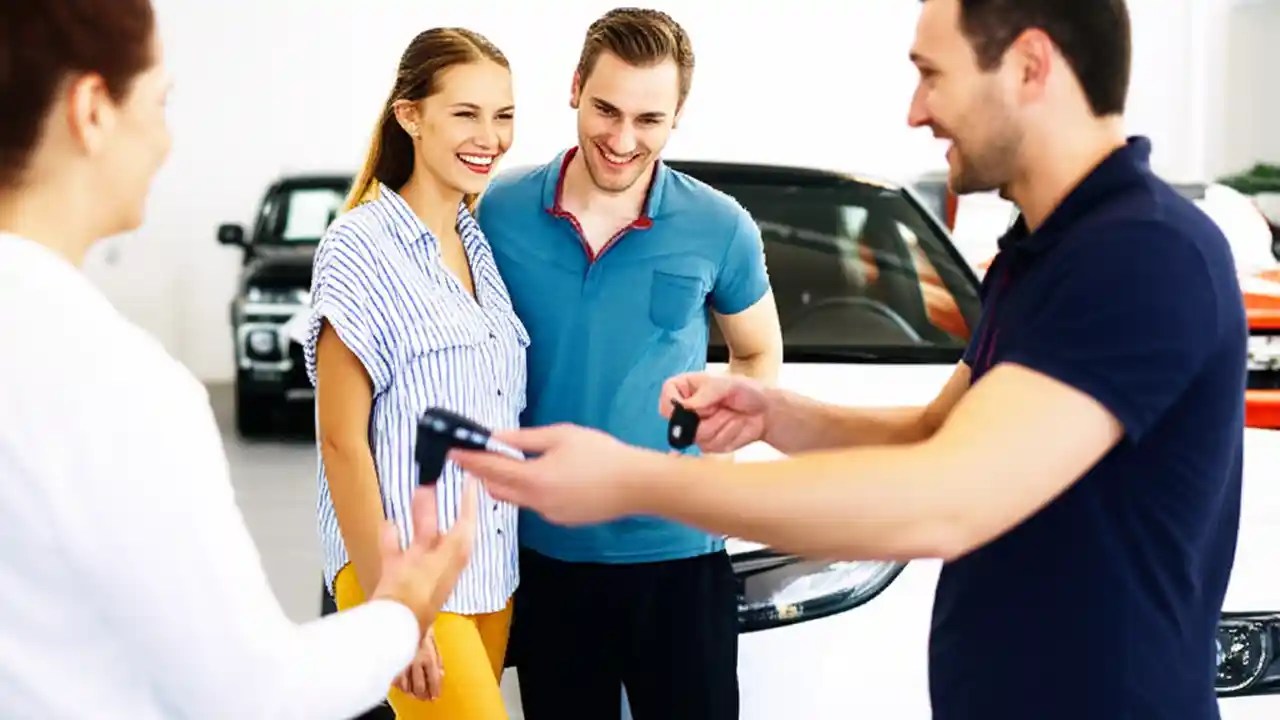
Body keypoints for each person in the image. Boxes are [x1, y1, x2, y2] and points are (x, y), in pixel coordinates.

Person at [456, 1, 1249, 719]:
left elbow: (947, 496)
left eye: (931, 74)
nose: (915, 111)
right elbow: (940, 432)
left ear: (1029, 66)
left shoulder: (1143, 254)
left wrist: (636, 480)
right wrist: (779, 414)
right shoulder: (1036, 260)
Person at [0, 2, 478, 719]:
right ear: (93, 111)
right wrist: (404, 608)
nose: (166, 140)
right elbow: (253, 694)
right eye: (160, 102)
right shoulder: (118, 387)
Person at [473, 7, 782, 719]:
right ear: (575, 87)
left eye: (649, 120)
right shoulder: (498, 211)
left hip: (681, 558)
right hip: (546, 560)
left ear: (677, 117)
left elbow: (758, 350)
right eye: (605, 109)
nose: (620, 139)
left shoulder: (719, 225)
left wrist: (714, 460)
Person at [303, 26, 527, 720]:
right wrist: (393, 605)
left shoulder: (478, 245)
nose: (489, 135)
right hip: (403, 579)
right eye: (466, 113)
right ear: (411, 116)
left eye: (504, 115)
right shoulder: (358, 247)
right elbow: (341, 441)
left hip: (490, 576)